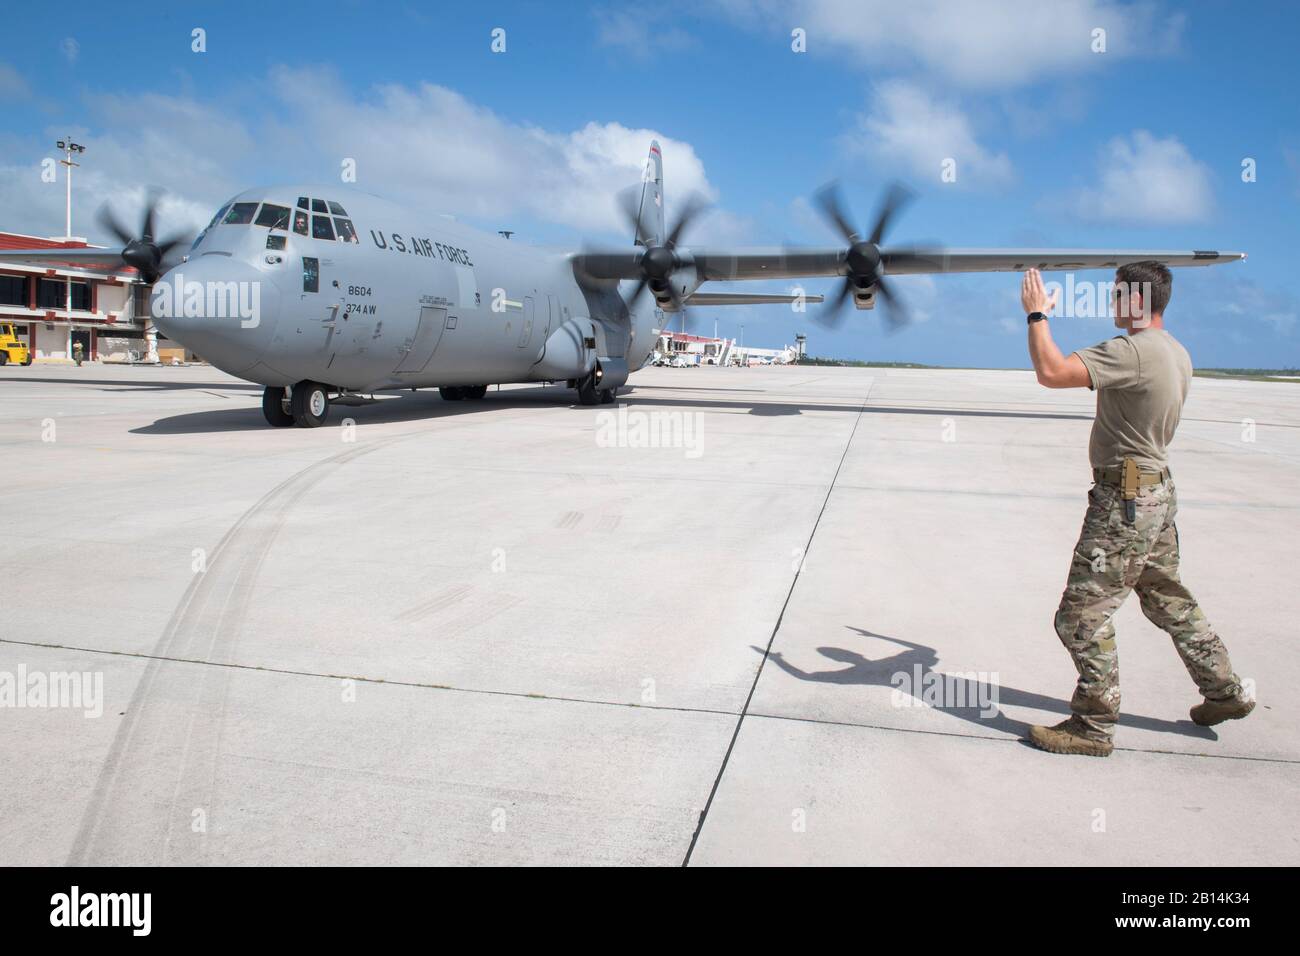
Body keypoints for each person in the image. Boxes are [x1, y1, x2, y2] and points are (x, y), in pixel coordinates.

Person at [1020, 262, 1253, 757]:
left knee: (1079, 617)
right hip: (1156, 493)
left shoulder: (1131, 352)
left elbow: (1051, 373)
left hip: (1124, 500)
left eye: (1117, 293)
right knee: (1167, 598)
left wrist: (1037, 316)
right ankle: (1225, 690)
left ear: (1136, 299)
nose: (1110, 302)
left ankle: (1093, 726)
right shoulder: (1176, 351)